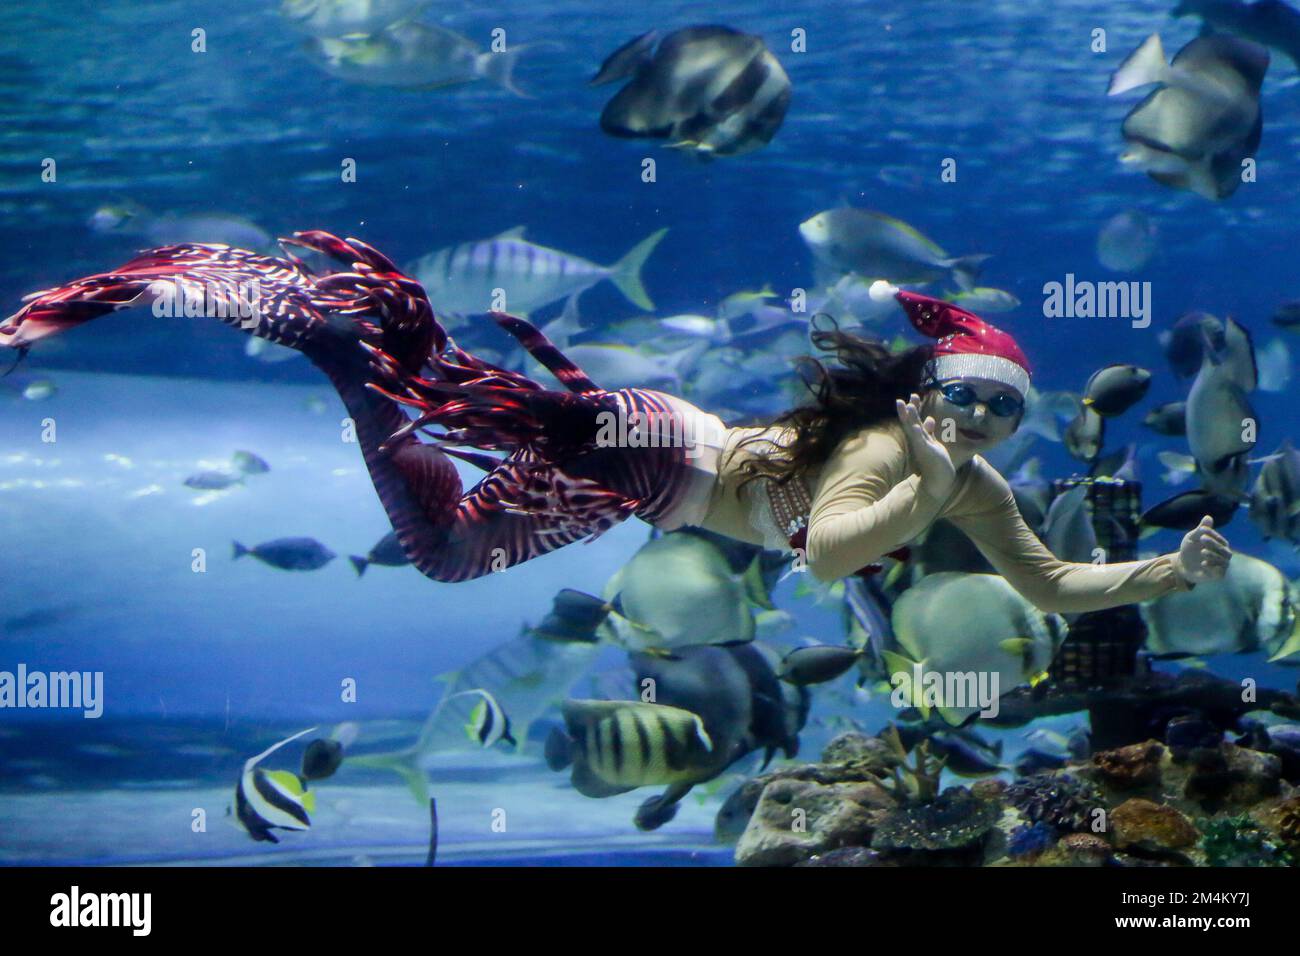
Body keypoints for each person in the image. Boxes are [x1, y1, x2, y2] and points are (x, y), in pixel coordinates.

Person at [1, 231, 1230, 604]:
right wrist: (916, 467)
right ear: (921, 393)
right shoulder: (887, 450)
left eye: (996, 415)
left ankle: (344, 336)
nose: (976, 423)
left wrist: (1168, 567)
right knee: (446, 499)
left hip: (648, 466)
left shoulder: (976, 485)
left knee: (449, 531)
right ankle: (332, 338)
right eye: (959, 398)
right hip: (653, 448)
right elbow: (829, 550)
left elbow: (1056, 583)